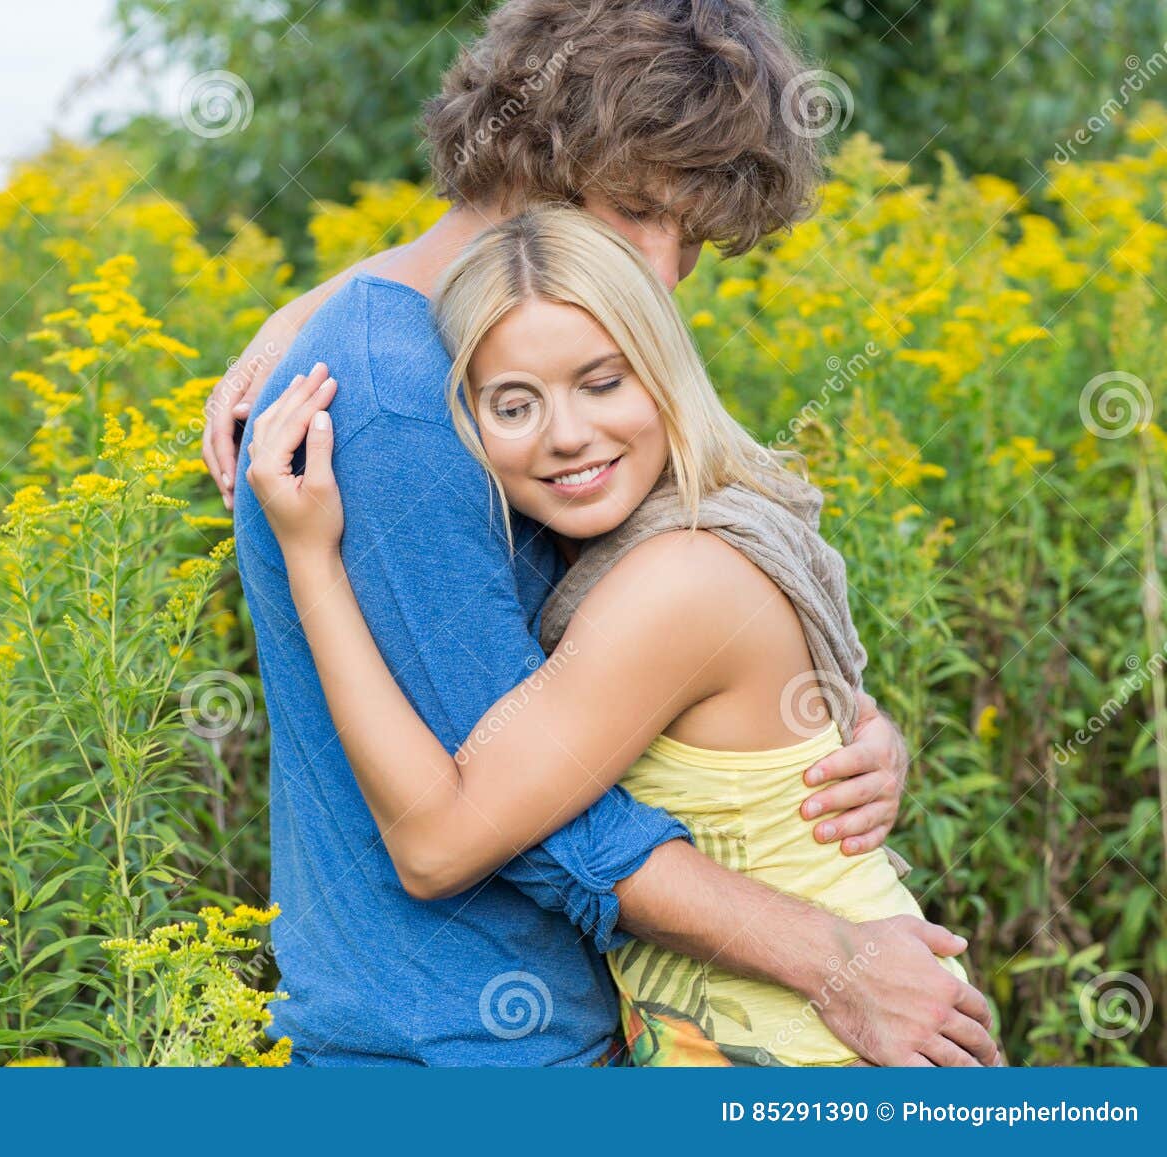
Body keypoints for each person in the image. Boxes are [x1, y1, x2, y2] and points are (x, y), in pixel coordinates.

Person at [222, 0, 997, 1065]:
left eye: (693, 236)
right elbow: (496, 818)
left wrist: (820, 719)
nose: (669, 274)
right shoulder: (396, 409)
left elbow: (639, 646)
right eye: (642, 210)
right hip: (463, 1048)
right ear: (536, 154)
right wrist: (827, 954)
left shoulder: (493, 355)